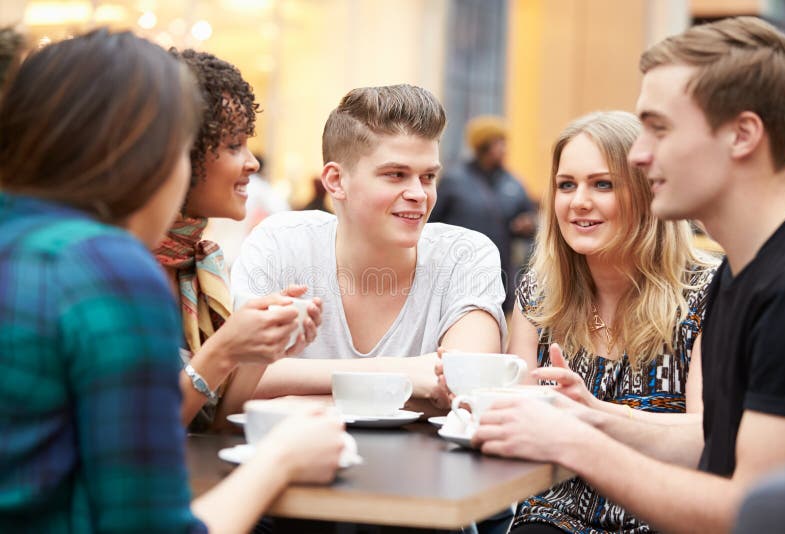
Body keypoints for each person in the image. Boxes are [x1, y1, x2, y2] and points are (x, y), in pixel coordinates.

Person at [0, 29, 344, 533]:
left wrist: (257, 349)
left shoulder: (28, 243)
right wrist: (281, 460)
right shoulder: (107, 271)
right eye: (185, 146)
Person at [472, 16, 785, 533]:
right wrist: (587, 415)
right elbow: (713, 443)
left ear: (743, 135)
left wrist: (576, 440)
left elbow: (754, 515)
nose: (641, 156)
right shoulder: (747, 274)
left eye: (660, 128)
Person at [231, 85, 507, 411]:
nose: (419, 194)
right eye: (395, 175)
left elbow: (466, 390)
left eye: (428, 176)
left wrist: (295, 400)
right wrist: (401, 373)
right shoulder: (279, 242)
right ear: (335, 181)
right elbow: (235, 384)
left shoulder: (466, 253)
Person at [503, 111, 716, 533]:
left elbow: (707, 438)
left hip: (661, 512)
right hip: (554, 514)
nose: (578, 201)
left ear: (646, 190)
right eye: (567, 185)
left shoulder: (707, 293)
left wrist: (593, 412)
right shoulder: (539, 294)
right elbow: (516, 412)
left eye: (602, 184)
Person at [153, 48, 321, 431]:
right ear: (180, 152)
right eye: (233, 145)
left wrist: (260, 350)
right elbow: (139, 438)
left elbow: (216, 429)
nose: (252, 162)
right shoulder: (117, 268)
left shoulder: (197, 266)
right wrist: (226, 347)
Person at [430, 115, 537, 311]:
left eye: (505, 142)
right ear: (483, 145)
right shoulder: (454, 180)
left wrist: (527, 225)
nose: (504, 148)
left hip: (499, 272)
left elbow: (530, 220)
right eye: (499, 142)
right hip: (458, 273)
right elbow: (431, 224)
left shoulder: (513, 183)